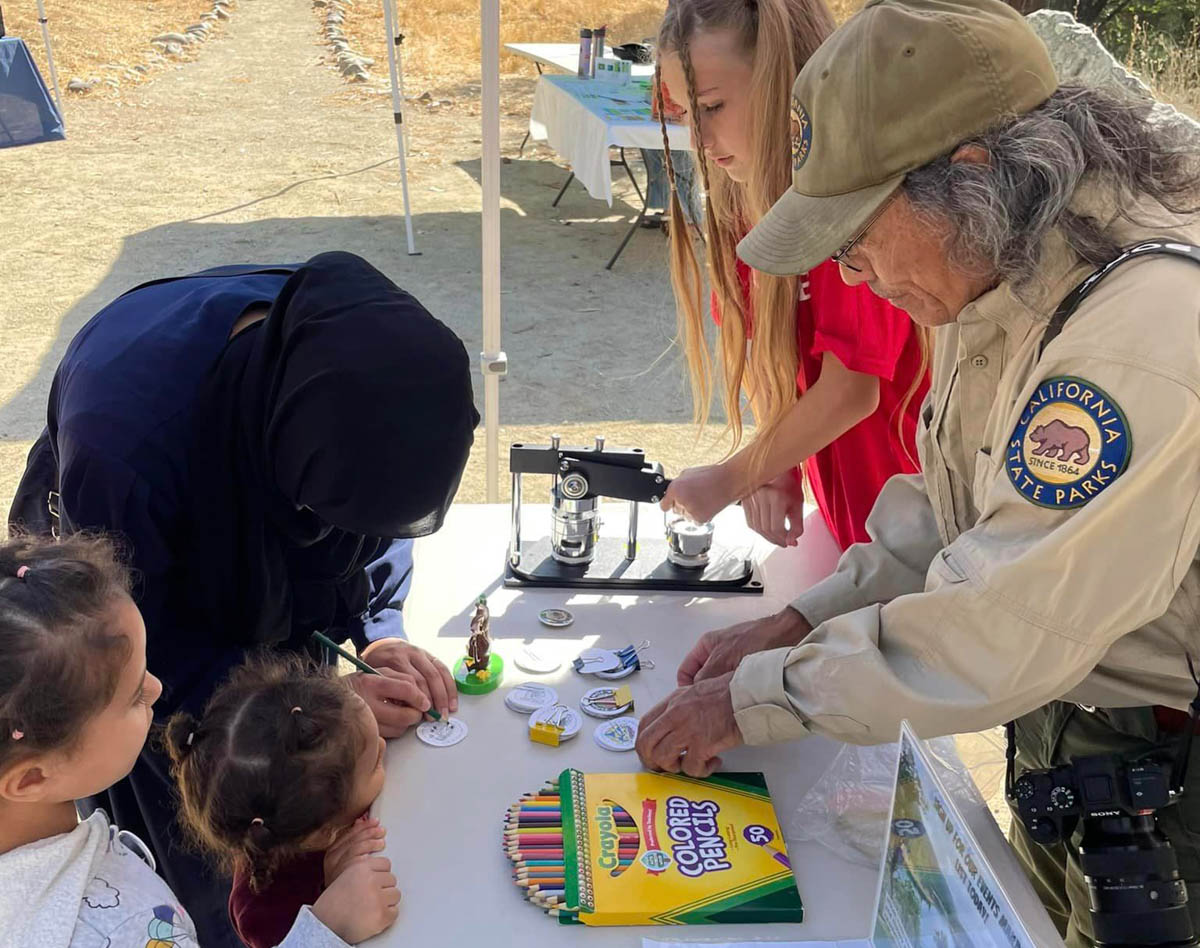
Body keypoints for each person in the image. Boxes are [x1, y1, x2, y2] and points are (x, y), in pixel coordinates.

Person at [634, 0, 1200, 942]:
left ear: (967, 172)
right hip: (1088, 735)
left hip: (1170, 768)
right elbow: (961, 506)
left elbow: (1005, 622)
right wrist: (805, 616)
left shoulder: (1134, 330)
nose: (852, 272)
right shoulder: (1011, 260)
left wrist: (756, 698)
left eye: (856, 235)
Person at [7, 251, 478, 945]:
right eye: (332, 510)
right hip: (138, 617)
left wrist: (375, 631)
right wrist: (308, 710)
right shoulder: (124, 455)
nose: (345, 532)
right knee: (223, 827)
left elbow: (373, 524)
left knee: (312, 789)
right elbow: (149, 670)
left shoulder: (360, 359)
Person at [0, 533, 398, 948]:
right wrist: (328, 930)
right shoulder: (122, 931)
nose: (156, 688)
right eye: (134, 695)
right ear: (30, 778)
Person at [653, 0, 929, 551]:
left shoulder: (850, 196)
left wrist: (733, 477)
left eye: (712, 107)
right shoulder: (740, 202)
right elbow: (765, 353)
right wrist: (777, 461)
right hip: (851, 525)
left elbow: (851, 389)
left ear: (786, 79)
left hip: (912, 528)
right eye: (684, 114)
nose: (698, 140)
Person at [165, 655, 397, 948]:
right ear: (324, 832)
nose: (385, 747)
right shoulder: (264, 917)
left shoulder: (320, 779)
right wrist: (328, 897)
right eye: (375, 762)